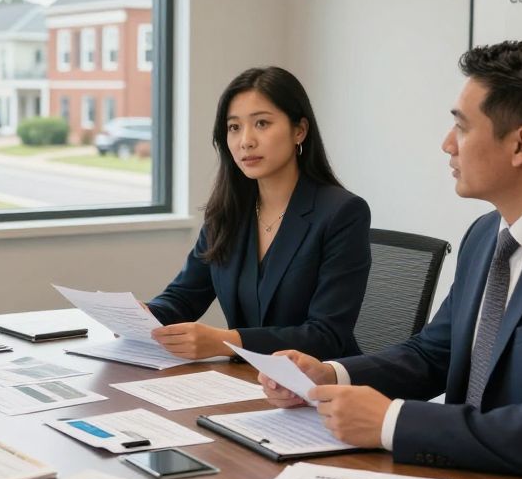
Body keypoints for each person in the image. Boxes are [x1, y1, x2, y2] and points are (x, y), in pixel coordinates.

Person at [262, 41, 522, 479]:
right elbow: (434, 353)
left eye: (462, 128)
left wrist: (392, 422)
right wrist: (329, 375)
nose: (447, 144)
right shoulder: (486, 234)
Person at [146, 66, 372, 360]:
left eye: (262, 124)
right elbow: (183, 298)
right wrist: (142, 315)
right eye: (234, 127)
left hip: (318, 385)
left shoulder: (342, 213)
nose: (245, 141)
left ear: (299, 130)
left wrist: (225, 341)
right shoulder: (228, 212)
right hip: (245, 379)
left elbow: (326, 335)